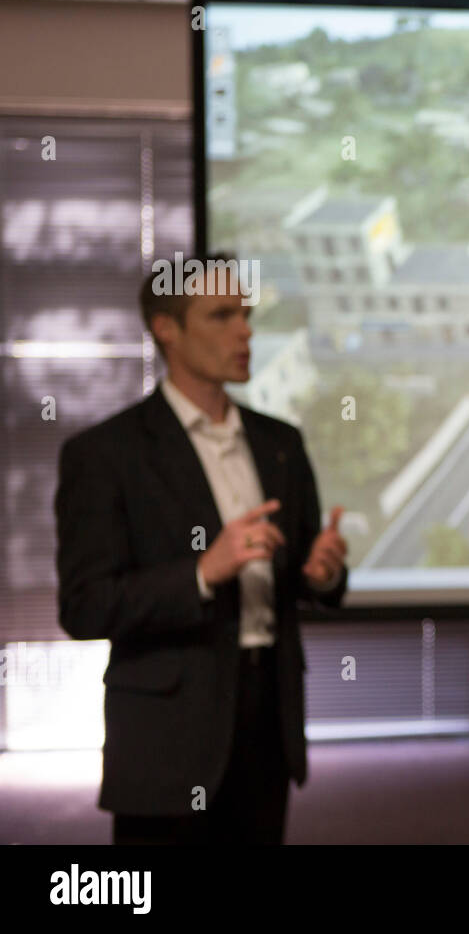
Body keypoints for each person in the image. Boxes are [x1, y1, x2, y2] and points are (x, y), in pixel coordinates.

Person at [55, 254, 349, 844]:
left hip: (269, 721)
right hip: (168, 736)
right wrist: (202, 570)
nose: (245, 331)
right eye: (221, 315)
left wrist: (321, 574)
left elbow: (298, 577)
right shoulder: (106, 454)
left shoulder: (280, 443)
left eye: (245, 314)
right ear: (167, 328)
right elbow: (85, 605)